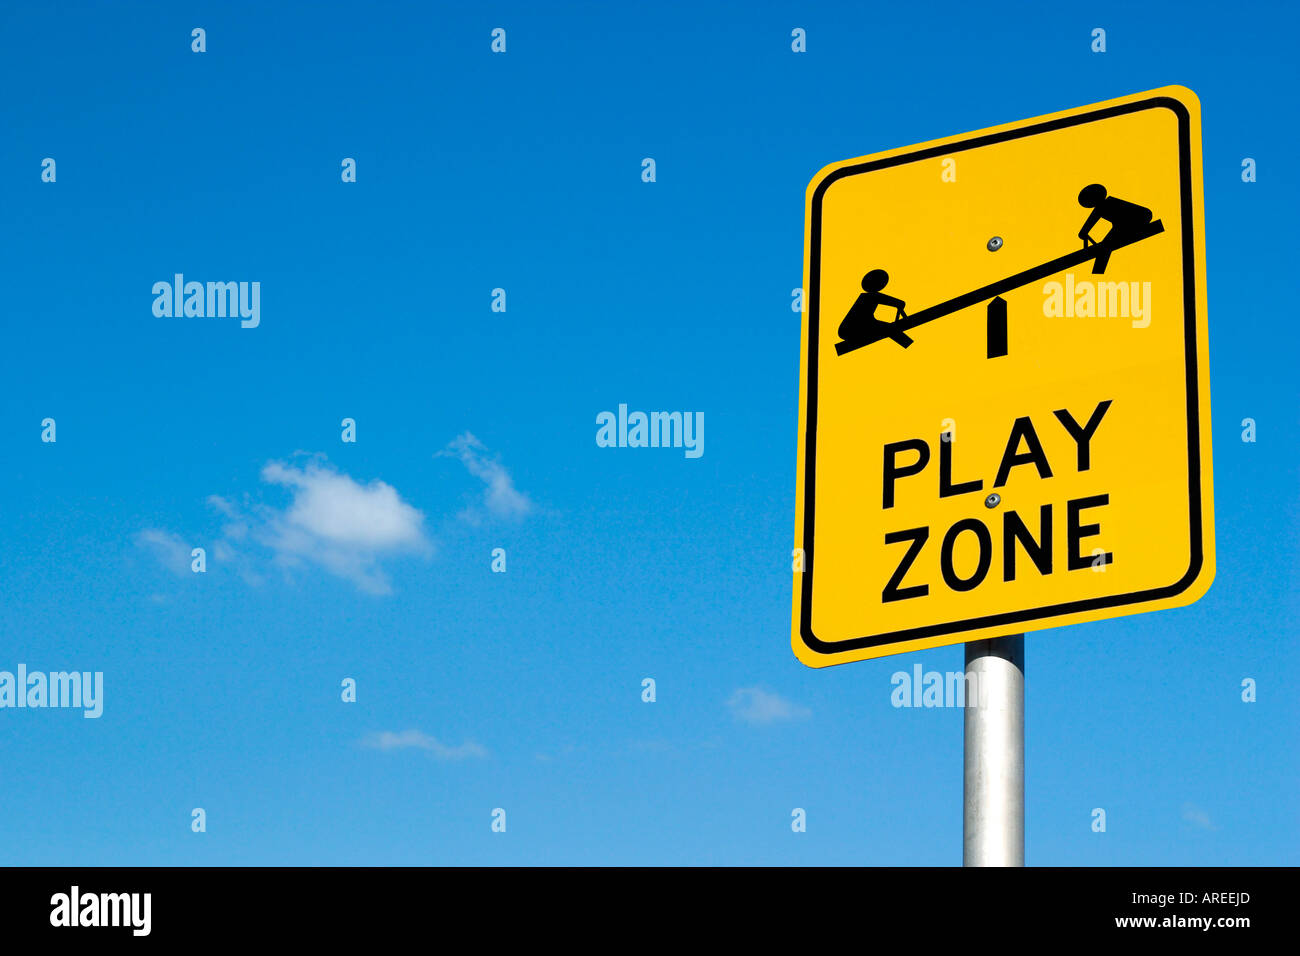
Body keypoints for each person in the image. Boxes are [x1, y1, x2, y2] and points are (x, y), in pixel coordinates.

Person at [1077, 184, 1153, 271]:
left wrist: (1084, 234)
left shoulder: (1106, 204)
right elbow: (1085, 228)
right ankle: (1098, 271)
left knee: (1105, 247)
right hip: (1130, 221)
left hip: (1136, 219)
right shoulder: (1105, 204)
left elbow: (1086, 228)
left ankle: (1098, 272)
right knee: (1105, 246)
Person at [838, 269, 912, 349]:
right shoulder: (872, 296)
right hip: (853, 329)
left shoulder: (865, 297)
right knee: (890, 329)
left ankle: (909, 345)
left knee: (889, 328)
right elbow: (898, 303)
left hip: (850, 329)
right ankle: (911, 347)